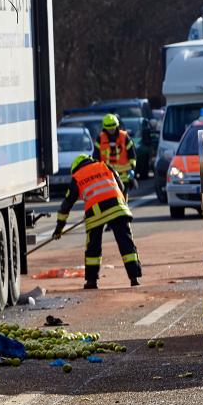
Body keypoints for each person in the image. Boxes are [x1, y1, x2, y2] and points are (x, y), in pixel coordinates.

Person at [53, 154, 142, 289]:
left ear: (75, 167)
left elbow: (66, 204)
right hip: (118, 208)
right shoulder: (105, 166)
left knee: (93, 248)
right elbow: (121, 187)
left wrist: (59, 228)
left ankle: (91, 281)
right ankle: (134, 277)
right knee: (126, 243)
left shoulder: (77, 176)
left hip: (96, 214)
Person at [94, 113, 136, 183]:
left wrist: (132, 169)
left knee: (123, 194)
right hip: (107, 176)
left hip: (123, 177)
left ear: (117, 126)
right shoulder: (100, 138)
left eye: (113, 127)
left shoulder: (124, 137)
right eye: (109, 128)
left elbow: (132, 154)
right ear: (105, 128)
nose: (111, 130)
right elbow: (96, 156)